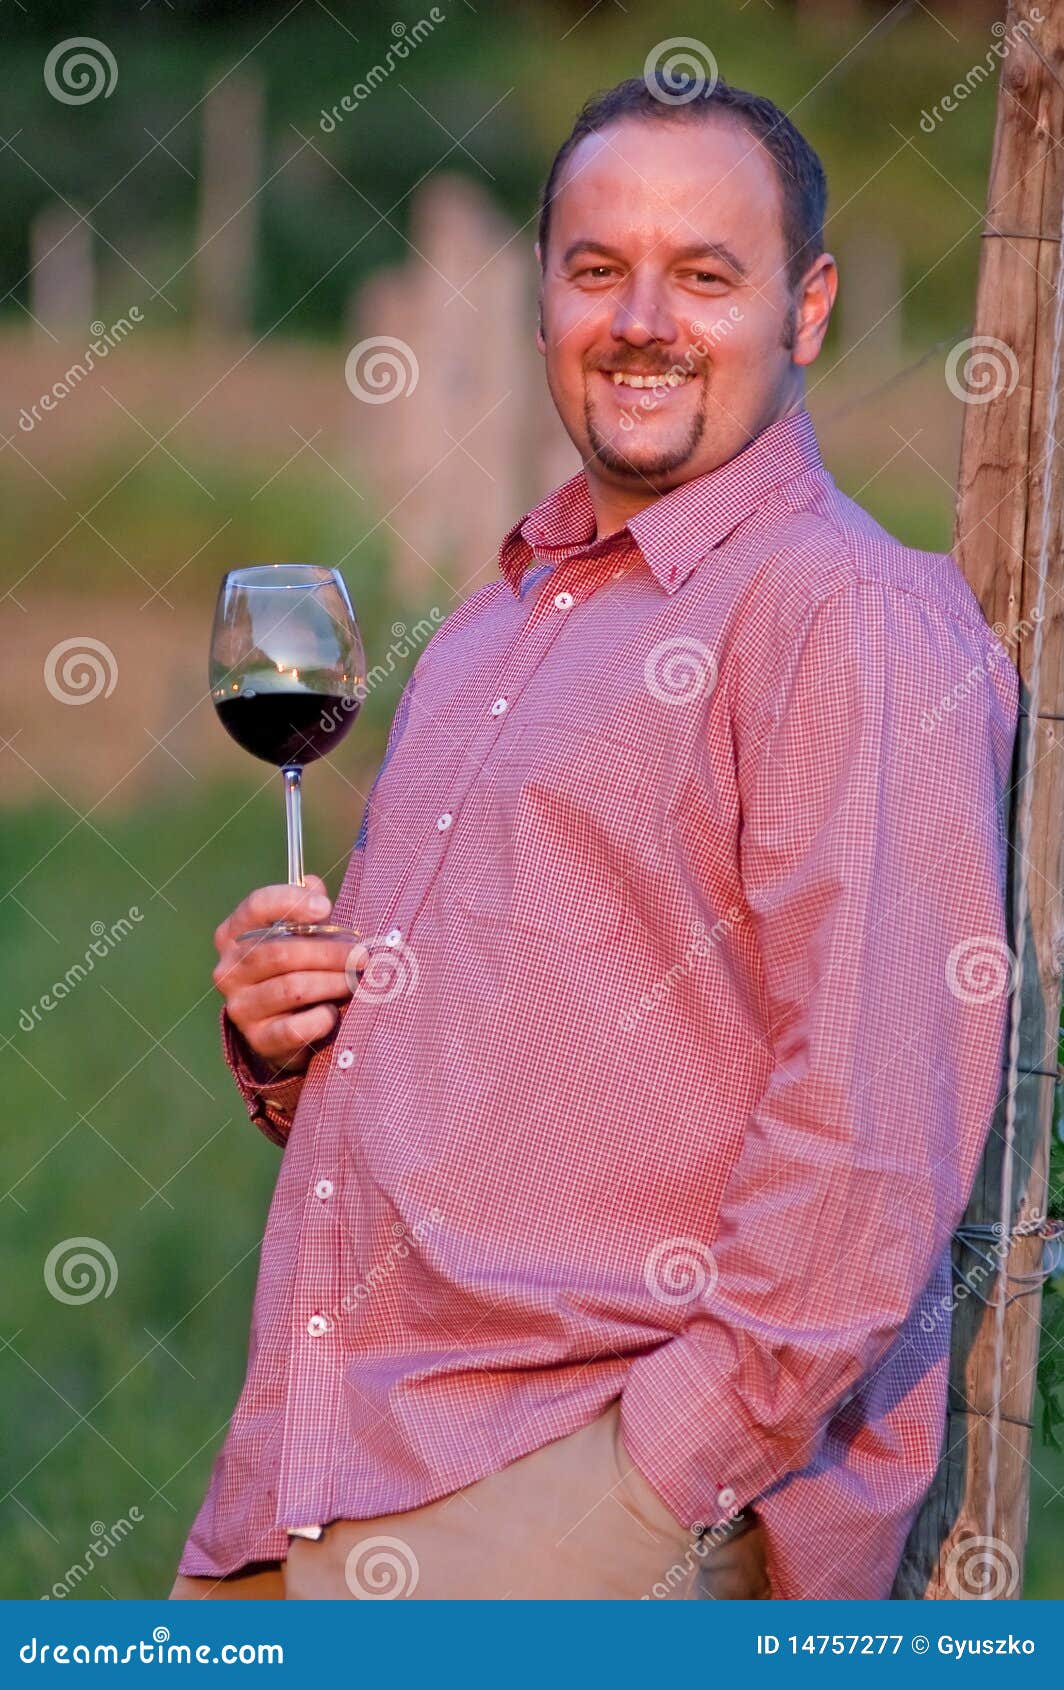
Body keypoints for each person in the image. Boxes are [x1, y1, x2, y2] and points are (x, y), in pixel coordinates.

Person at [170, 71, 1018, 1601]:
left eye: (706, 273)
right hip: (310, 1467)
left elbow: (873, 1138)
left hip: (562, 1502)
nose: (643, 318)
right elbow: (460, 1061)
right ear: (545, 295)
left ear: (806, 308)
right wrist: (293, 1038)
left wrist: (652, 1488)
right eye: (597, 268)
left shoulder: (847, 617)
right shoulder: (498, 620)